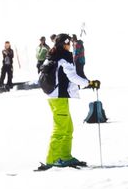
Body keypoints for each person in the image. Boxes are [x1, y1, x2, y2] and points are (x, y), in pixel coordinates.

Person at [36, 30, 98, 170]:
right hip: (57, 97)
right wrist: (89, 83)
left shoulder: (51, 55)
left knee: (68, 127)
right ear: (64, 44)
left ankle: (64, 156)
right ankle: (52, 159)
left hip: (55, 97)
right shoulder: (62, 57)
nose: (70, 45)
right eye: (68, 43)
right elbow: (72, 76)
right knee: (60, 128)